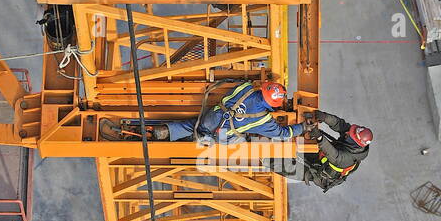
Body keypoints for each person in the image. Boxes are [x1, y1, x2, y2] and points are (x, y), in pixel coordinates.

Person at [123, 79, 307, 143]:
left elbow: (226, 99)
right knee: (242, 138)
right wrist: (303, 128)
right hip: (222, 133)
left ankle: (161, 131)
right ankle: (199, 139)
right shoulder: (264, 120)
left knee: (191, 125)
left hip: (212, 117)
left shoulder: (246, 88)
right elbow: (284, 133)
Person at [272, 110, 372, 190]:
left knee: (278, 164)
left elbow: (333, 154)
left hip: (318, 173)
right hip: (322, 157)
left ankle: (263, 158)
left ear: (354, 143)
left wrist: (319, 137)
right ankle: (276, 141)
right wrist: (324, 117)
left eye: (350, 136)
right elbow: (339, 124)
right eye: (350, 132)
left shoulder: (347, 158)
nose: (347, 133)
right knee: (296, 147)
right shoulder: (353, 138)